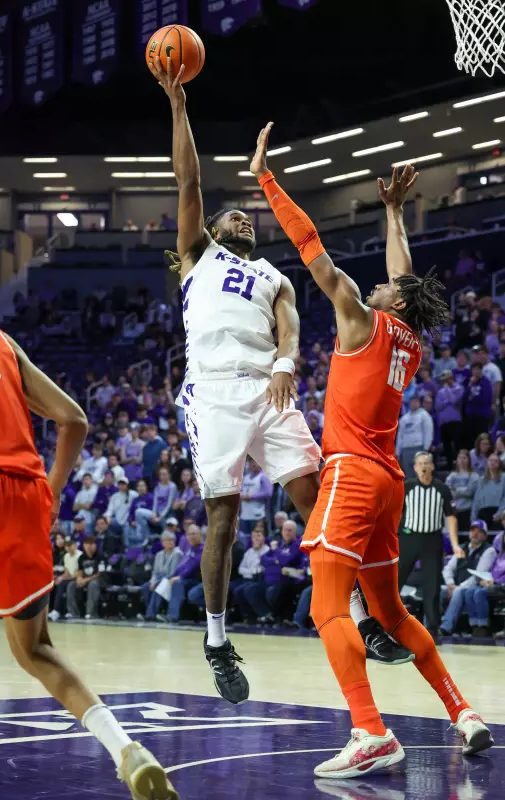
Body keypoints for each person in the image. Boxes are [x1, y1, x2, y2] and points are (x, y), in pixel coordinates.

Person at [149, 58, 400, 704]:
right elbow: (188, 179)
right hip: (213, 393)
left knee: (315, 502)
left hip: (269, 386)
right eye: (234, 217)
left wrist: (288, 363)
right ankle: (216, 640)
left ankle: (362, 617)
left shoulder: (273, 276)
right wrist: (178, 105)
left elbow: (289, 329)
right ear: (213, 231)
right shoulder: (197, 256)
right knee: (224, 518)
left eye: (247, 219)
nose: (243, 221)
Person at [251, 125, 492, 777]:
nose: (380, 283)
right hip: (388, 483)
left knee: (328, 606)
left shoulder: (359, 319)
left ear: (391, 302)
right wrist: (392, 213)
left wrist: (266, 180)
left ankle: (370, 731)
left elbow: (311, 248)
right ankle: (463, 711)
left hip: (353, 475)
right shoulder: (408, 339)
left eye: (387, 286)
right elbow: (403, 274)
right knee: (388, 611)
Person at [0, 320, 177, 798]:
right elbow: (74, 420)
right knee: (37, 650)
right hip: (23, 494)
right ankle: (126, 749)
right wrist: (52, 491)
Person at [397, 451, 460, 638]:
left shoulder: (442, 489)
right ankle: (386, 622)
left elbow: (451, 517)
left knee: (432, 583)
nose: (424, 466)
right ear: (415, 468)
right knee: (396, 580)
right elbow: (395, 513)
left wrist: (455, 544)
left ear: (432, 466)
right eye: (420, 463)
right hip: (409, 538)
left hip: (432, 540)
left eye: (427, 463)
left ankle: (432, 627)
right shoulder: (407, 487)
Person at [439, 520, 495, 637]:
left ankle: (446, 628)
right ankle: (429, 625)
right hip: (455, 586)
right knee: (438, 590)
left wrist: (457, 587)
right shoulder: (462, 548)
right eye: (472, 530)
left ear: (485, 536)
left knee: (459, 591)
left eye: (479, 532)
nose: (475, 534)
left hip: (474, 586)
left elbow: (478, 575)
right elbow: (448, 568)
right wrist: (450, 584)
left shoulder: (489, 550)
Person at [66, 535, 105, 620]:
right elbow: (80, 571)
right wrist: (79, 578)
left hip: (99, 580)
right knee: (71, 585)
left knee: (93, 584)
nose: (88, 546)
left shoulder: (100, 556)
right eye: (86, 544)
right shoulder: (81, 557)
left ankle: (91, 613)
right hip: (85, 580)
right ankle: (73, 612)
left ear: (95, 545)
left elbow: (100, 573)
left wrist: (85, 580)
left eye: (91, 544)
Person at [396, 395, 433, 478]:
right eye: (412, 402)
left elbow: (428, 432)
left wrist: (426, 449)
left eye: (416, 401)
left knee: (420, 474)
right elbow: (400, 436)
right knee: (408, 474)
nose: (414, 404)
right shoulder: (404, 418)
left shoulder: (424, 415)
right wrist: (398, 453)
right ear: (409, 403)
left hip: (419, 448)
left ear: (419, 403)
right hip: (406, 449)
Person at [435, 370, 464, 469]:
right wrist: (447, 402)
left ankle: (460, 465)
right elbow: (437, 406)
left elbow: (454, 400)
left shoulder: (459, 388)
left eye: (447, 379)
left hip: (455, 421)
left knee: (457, 444)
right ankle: (449, 465)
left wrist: (447, 390)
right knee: (446, 445)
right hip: (443, 422)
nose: (446, 381)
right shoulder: (440, 391)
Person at [446, 450, 480, 532]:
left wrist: (456, 490)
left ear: (469, 460)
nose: (462, 460)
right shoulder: (451, 476)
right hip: (454, 511)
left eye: (464, 458)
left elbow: (470, 492)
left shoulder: (474, 476)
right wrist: (464, 490)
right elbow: (447, 492)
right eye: (460, 458)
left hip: (468, 510)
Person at [471, 453, 505, 530]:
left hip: (497, 513)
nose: (493, 463)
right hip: (483, 513)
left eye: (495, 461)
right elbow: (476, 500)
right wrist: (473, 519)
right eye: (490, 460)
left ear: (499, 464)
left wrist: (500, 513)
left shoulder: (504, 478)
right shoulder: (481, 480)